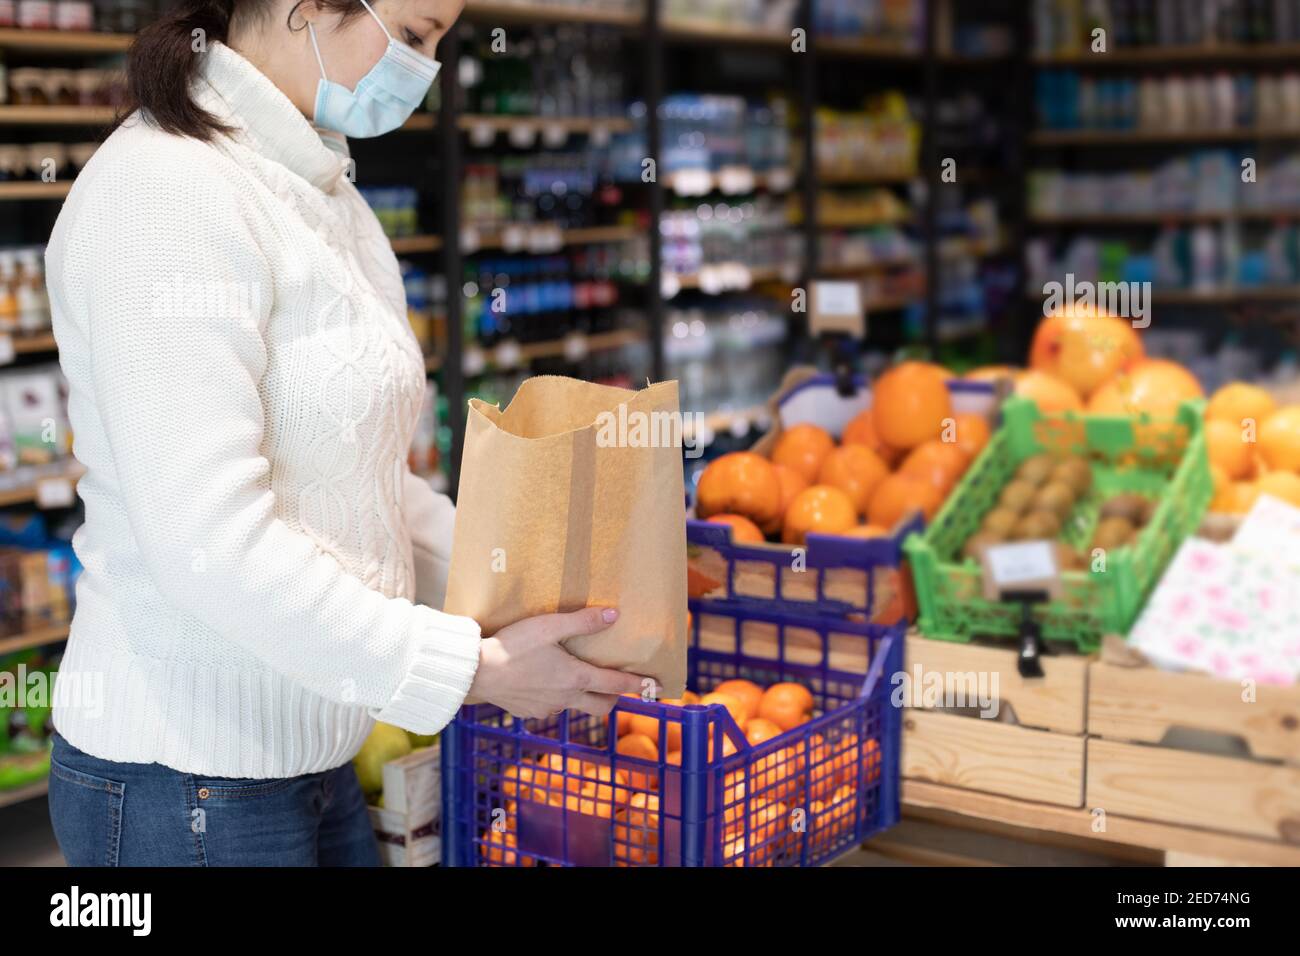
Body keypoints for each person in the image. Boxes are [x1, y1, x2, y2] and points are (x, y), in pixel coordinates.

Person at [43, 0, 646, 867]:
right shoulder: (161, 195)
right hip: (187, 783)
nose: (423, 77)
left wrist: (538, 587)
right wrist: (468, 669)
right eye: (410, 37)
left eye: (439, 44)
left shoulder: (327, 193)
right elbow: (208, 541)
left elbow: (365, 475)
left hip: (321, 748)